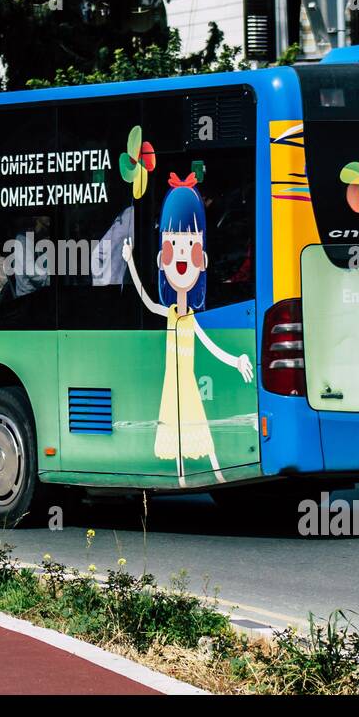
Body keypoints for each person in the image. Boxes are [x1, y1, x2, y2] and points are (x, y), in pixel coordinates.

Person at [122, 171, 253, 487]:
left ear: (203, 258)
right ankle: (182, 477)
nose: (181, 255)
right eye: (173, 246)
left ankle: (217, 472)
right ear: (160, 257)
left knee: (199, 429)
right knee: (178, 432)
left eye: (190, 245)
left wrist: (236, 361)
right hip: (172, 385)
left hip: (187, 386)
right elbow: (147, 301)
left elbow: (209, 345)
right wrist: (129, 262)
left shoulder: (188, 317)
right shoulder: (170, 313)